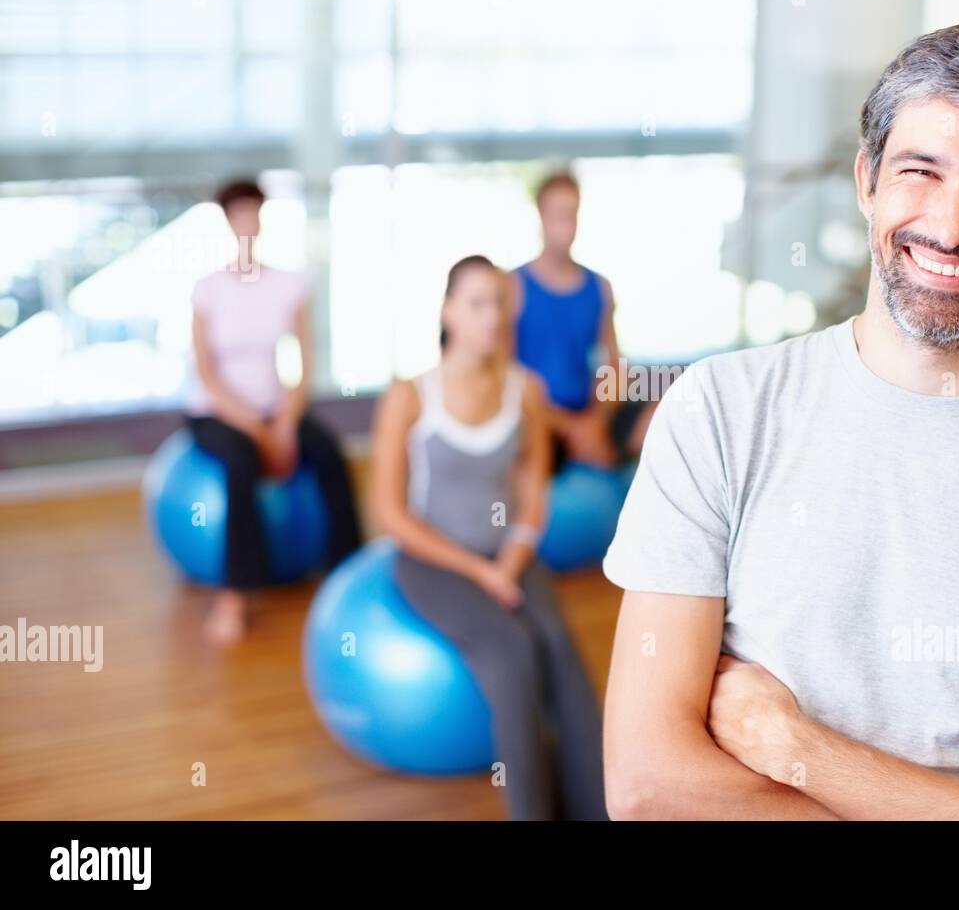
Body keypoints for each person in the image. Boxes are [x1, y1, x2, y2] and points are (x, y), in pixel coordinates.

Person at [602, 21, 959, 820]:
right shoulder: (716, 414)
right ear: (866, 181)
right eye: (921, 171)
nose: (952, 226)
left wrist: (797, 750)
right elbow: (646, 788)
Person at [370, 254, 607, 821]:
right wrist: (484, 573)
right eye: (477, 303)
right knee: (512, 652)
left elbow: (533, 497)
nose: (491, 316)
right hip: (434, 561)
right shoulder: (409, 396)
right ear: (449, 311)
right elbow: (390, 514)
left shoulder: (527, 390)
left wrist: (513, 557)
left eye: (500, 302)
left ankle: (602, 809)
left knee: (560, 648)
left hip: (510, 555)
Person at [189, 178, 362, 647]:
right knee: (241, 463)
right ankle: (235, 595)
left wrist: (284, 422)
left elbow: (305, 366)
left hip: (275, 408)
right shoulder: (207, 290)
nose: (246, 224)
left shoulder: (290, 285)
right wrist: (256, 429)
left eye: (253, 214)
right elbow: (206, 372)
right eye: (237, 216)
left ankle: (348, 575)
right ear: (227, 223)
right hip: (218, 413)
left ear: (262, 219)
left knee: (329, 454)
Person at [510, 171, 657, 470]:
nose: (566, 223)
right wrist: (569, 427)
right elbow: (504, 375)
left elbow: (615, 367)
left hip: (589, 412)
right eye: (558, 214)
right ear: (541, 215)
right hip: (538, 418)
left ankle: (603, 455)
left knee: (660, 415)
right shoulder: (512, 286)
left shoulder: (599, 287)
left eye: (572, 214)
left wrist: (596, 422)